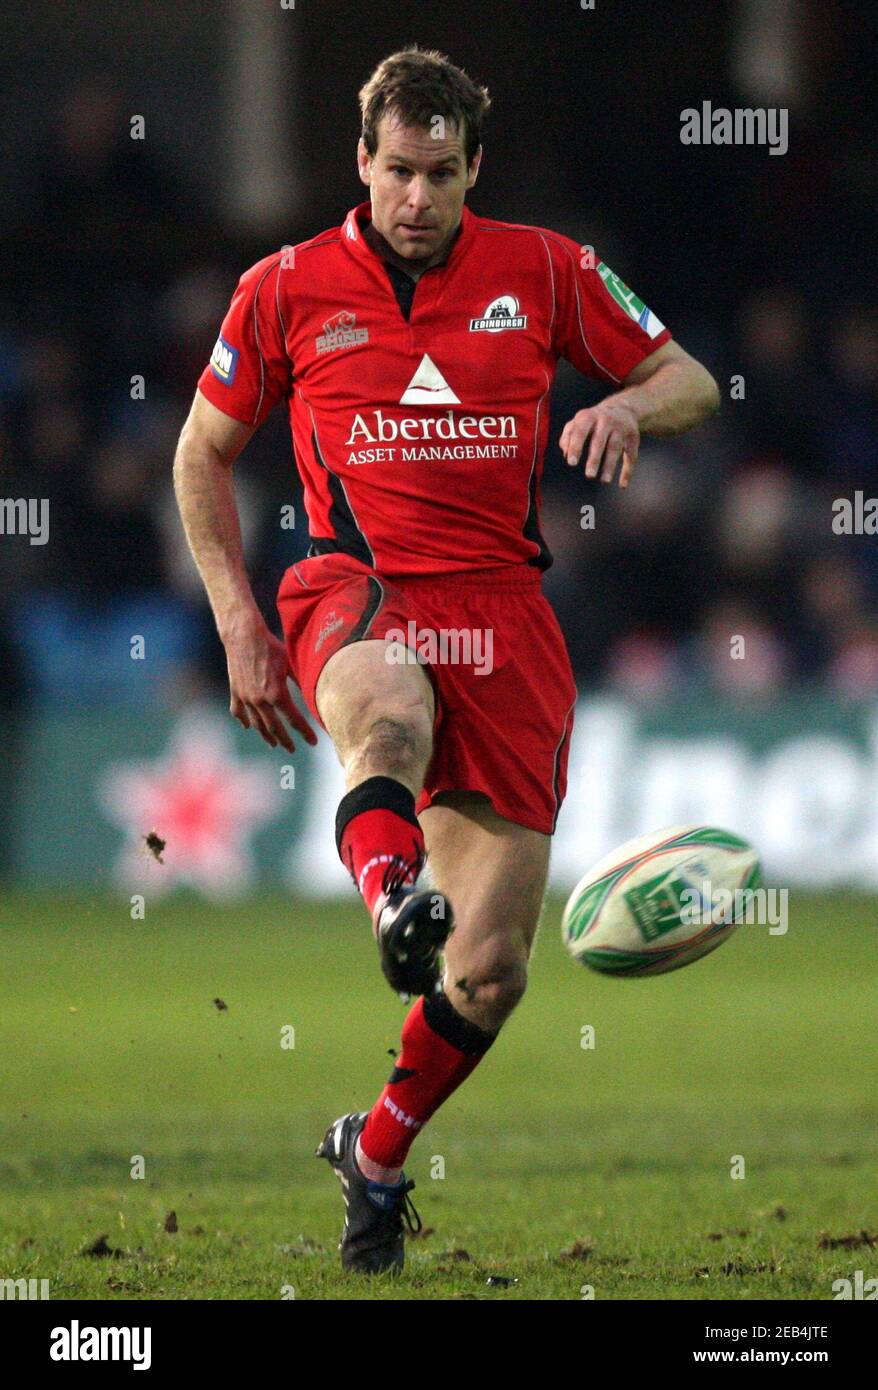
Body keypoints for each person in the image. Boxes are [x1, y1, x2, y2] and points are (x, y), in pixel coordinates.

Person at [173, 45, 720, 1275]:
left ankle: (370, 1149)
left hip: (505, 619)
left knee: (489, 970)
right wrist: (235, 619)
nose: (415, 198)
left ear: (474, 168)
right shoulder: (283, 287)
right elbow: (199, 453)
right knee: (385, 717)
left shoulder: (547, 268)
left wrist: (627, 406)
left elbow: (686, 377)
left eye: (439, 174)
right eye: (395, 172)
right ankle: (388, 896)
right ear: (358, 163)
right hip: (353, 588)